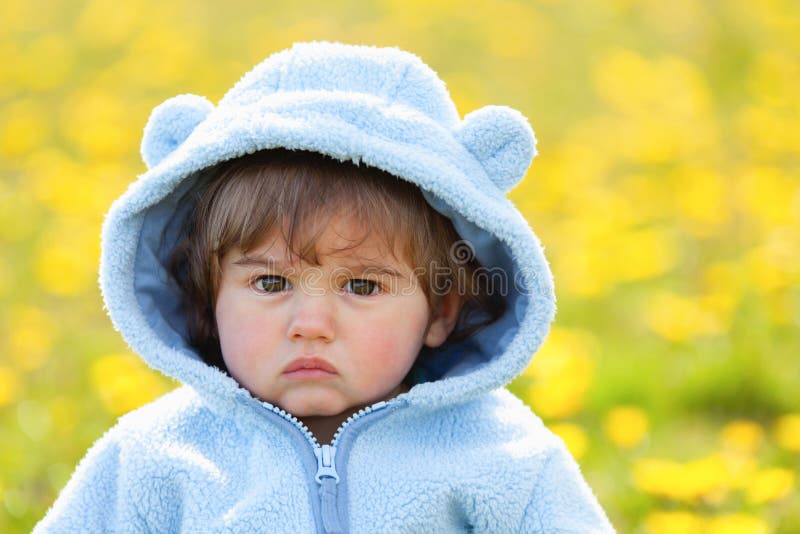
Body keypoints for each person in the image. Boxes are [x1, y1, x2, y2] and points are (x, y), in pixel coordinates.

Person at [34, 41, 615, 533]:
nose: (311, 322)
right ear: (209, 297)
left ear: (439, 311)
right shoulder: (153, 457)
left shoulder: (506, 458)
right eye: (269, 281)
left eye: (361, 286)